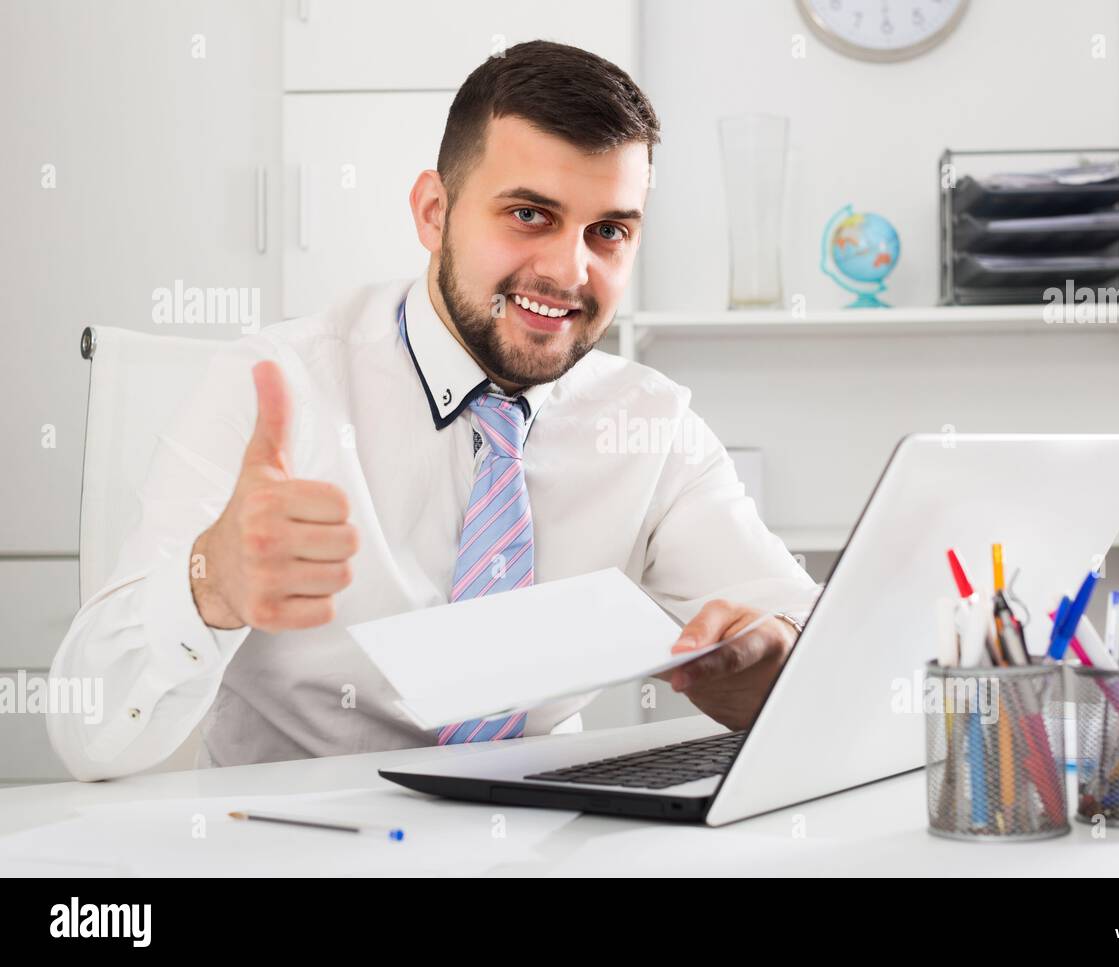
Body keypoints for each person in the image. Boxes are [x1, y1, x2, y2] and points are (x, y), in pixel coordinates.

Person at [48, 40, 819, 782]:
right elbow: (90, 736)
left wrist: (771, 661)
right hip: (292, 846)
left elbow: (812, 645)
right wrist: (209, 584)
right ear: (432, 211)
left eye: (608, 231)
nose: (567, 270)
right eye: (529, 214)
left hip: (539, 835)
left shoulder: (648, 424)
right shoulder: (269, 389)